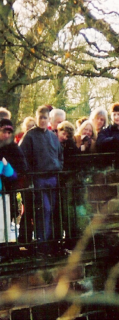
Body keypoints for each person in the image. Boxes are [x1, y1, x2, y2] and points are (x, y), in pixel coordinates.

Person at [19, 106, 63, 253]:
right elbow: (21, 155)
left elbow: (59, 154)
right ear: (37, 118)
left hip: (53, 177)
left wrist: (59, 166)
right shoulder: (29, 136)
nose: (43, 120)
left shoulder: (52, 136)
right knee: (44, 209)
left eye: (45, 118)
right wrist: (30, 172)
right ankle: (42, 243)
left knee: (52, 210)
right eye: (41, 118)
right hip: (38, 178)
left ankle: (49, 242)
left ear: (49, 119)